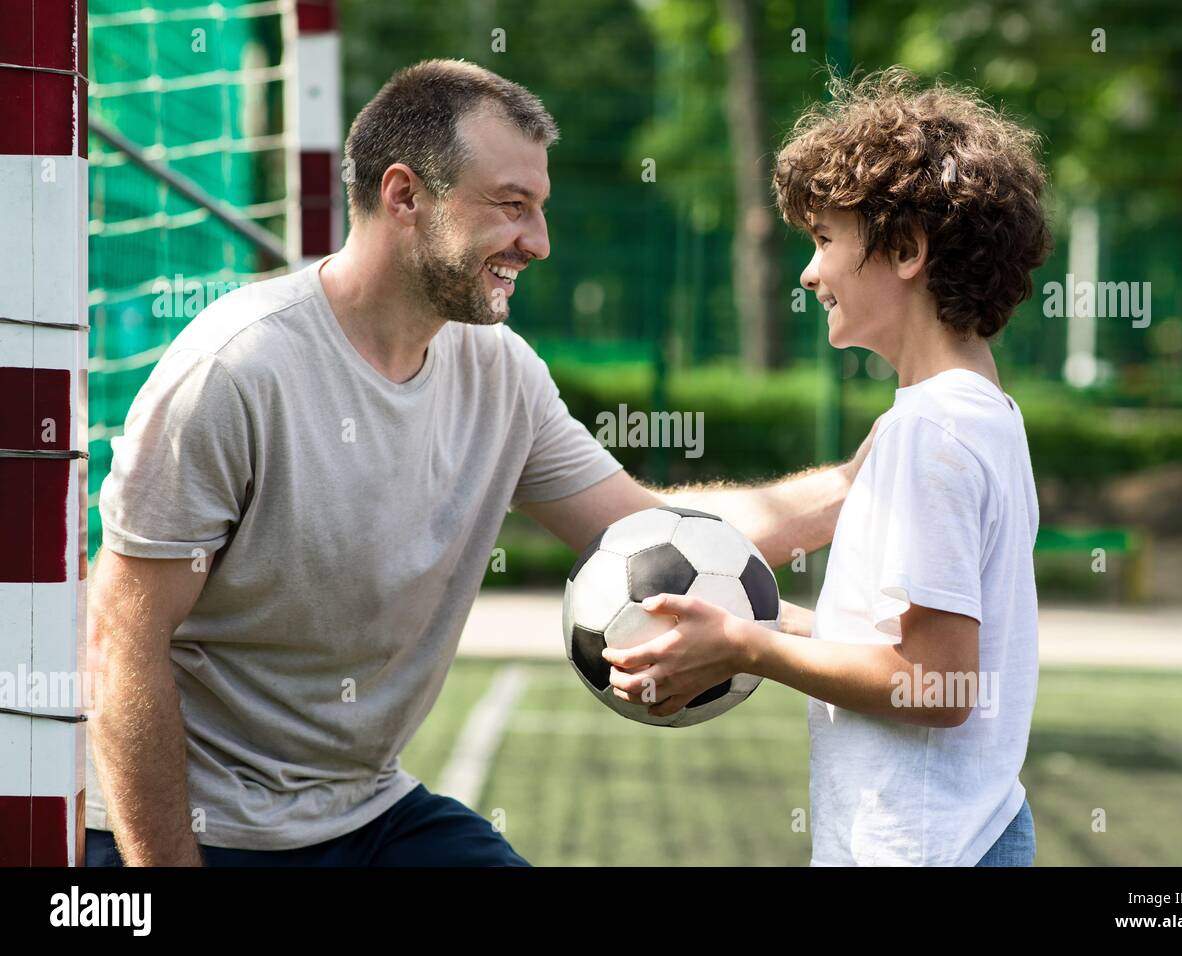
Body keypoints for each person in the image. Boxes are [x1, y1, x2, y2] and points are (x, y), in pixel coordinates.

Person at [84, 58, 873, 867]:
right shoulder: (235, 370)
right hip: (189, 832)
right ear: (404, 196)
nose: (538, 241)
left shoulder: (499, 370)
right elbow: (119, 643)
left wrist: (863, 485)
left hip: (367, 812)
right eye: (511, 206)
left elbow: (654, 533)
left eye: (540, 209)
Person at [604, 67, 1051, 866]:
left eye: (824, 240)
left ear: (907, 248)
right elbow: (888, 645)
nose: (809, 274)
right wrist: (740, 621)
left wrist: (750, 652)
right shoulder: (978, 414)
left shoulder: (933, 431)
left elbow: (938, 686)